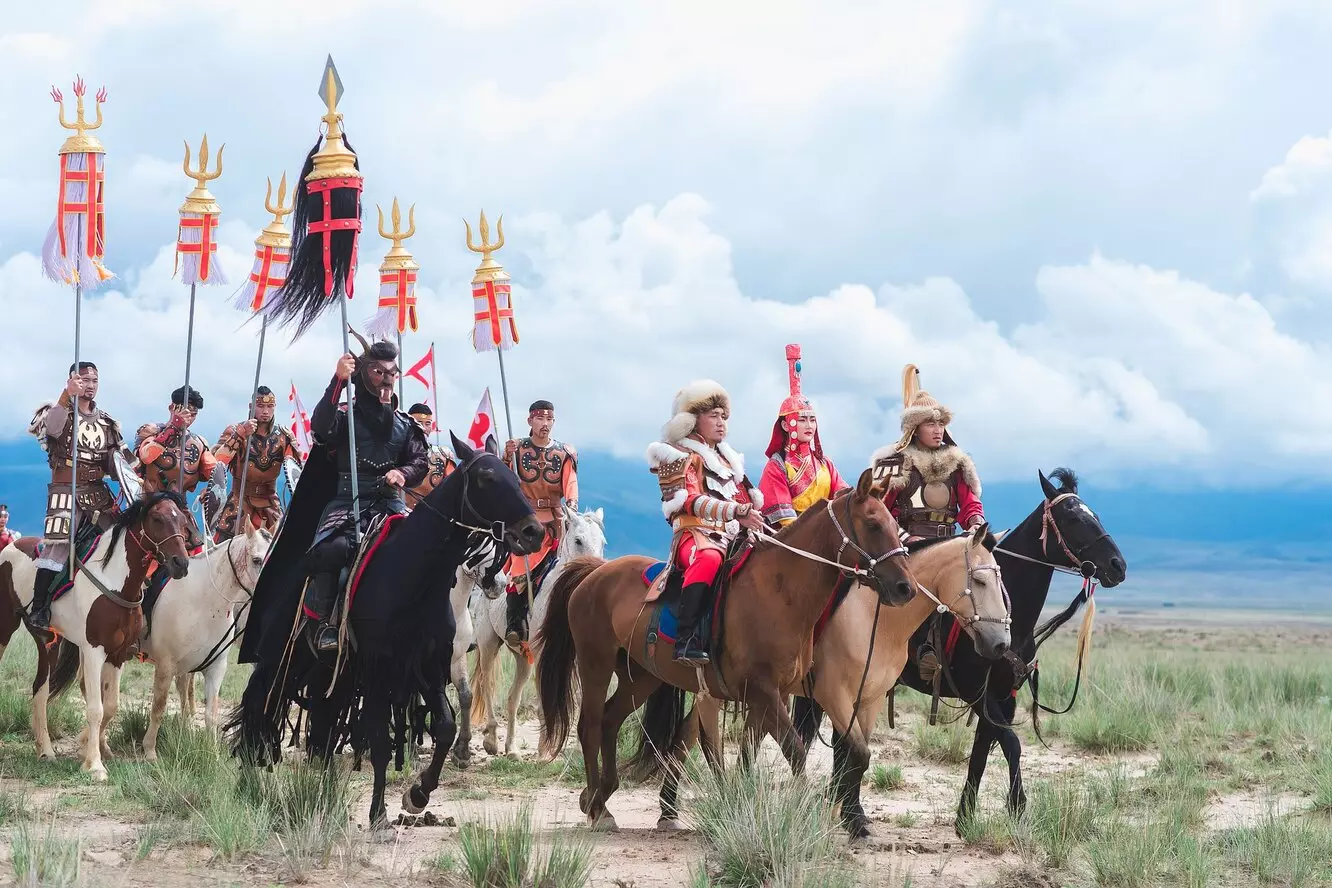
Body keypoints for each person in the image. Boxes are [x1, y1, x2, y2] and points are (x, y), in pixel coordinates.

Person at [298, 340, 429, 651]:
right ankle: (326, 624)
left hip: (391, 503)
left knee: (424, 546)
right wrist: (338, 379)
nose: (386, 379)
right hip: (349, 501)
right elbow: (320, 426)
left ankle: (428, 622)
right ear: (363, 375)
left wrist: (403, 473)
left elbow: (420, 461)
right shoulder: (345, 417)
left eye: (392, 373)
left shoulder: (406, 425)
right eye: (378, 372)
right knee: (334, 549)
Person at [870, 363, 985, 680]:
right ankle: (918, 651)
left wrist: (975, 521)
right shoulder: (893, 463)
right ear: (914, 427)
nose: (937, 429)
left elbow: (969, 503)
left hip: (950, 544)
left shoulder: (958, 463)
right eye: (929, 423)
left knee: (982, 581)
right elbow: (879, 511)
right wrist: (905, 538)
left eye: (940, 423)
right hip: (906, 546)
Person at [646, 380, 764, 665]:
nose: (721, 422)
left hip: (735, 535)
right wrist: (736, 512)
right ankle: (686, 640)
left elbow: (745, 498)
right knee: (709, 559)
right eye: (713, 415)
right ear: (692, 420)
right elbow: (687, 502)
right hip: (694, 533)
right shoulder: (678, 455)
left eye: (723, 416)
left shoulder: (729, 461)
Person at [27, 361, 136, 630]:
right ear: (73, 381)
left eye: (94, 381)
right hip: (67, 492)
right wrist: (67, 395)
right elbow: (51, 430)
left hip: (98, 493)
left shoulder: (108, 422)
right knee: (59, 546)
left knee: (120, 539)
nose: (90, 385)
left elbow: (120, 462)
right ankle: (39, 608)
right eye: (84, 380)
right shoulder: (59, 412)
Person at [501, 400, 579, 651]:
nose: (545, 425)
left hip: (556, 521)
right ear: (530, 421)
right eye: (540, 420)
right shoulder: (517, 449)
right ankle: (514, 625)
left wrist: (573, 507)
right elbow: (504, 479)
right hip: (525, 521)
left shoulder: (565, 452)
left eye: (549, 420)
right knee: (520, 574)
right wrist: (505, 456)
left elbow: (570, 484)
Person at [759, 344, 848, 527]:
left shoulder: (824, 463)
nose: (809, 426)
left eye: (812, 420)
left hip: (827, 531)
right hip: (792, 538)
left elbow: (843, 496)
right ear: (785, 424)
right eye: (802, 420)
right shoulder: (777, 465)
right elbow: (786, 519)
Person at [213, 386, 302, 542]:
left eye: (269, 406)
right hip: (239, 500)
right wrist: (240, 434)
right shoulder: (235, 430)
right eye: (260, 406)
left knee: (280, 546)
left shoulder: (284, 435)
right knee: (224, 546)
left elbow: (294, 470)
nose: (265, 411)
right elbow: (218, 461)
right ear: (251, 406)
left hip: (270, 501)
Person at [137, 386, 218, 501]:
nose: (188, 418)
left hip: (179, 503)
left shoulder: (199, 443)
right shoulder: (152, 431)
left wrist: (212, 490)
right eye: (185, 412)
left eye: (193, 414)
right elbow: (146, 457)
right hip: (149, 500)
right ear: (172, 407)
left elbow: (215, 472)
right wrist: (174, 426)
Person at [404, 403, 457, 502]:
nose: (423, 428)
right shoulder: (396, 452)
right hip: (397, 513)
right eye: (419, 423)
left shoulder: (444, 455)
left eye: (427, 423)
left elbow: (452, 487)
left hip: (433, 513)